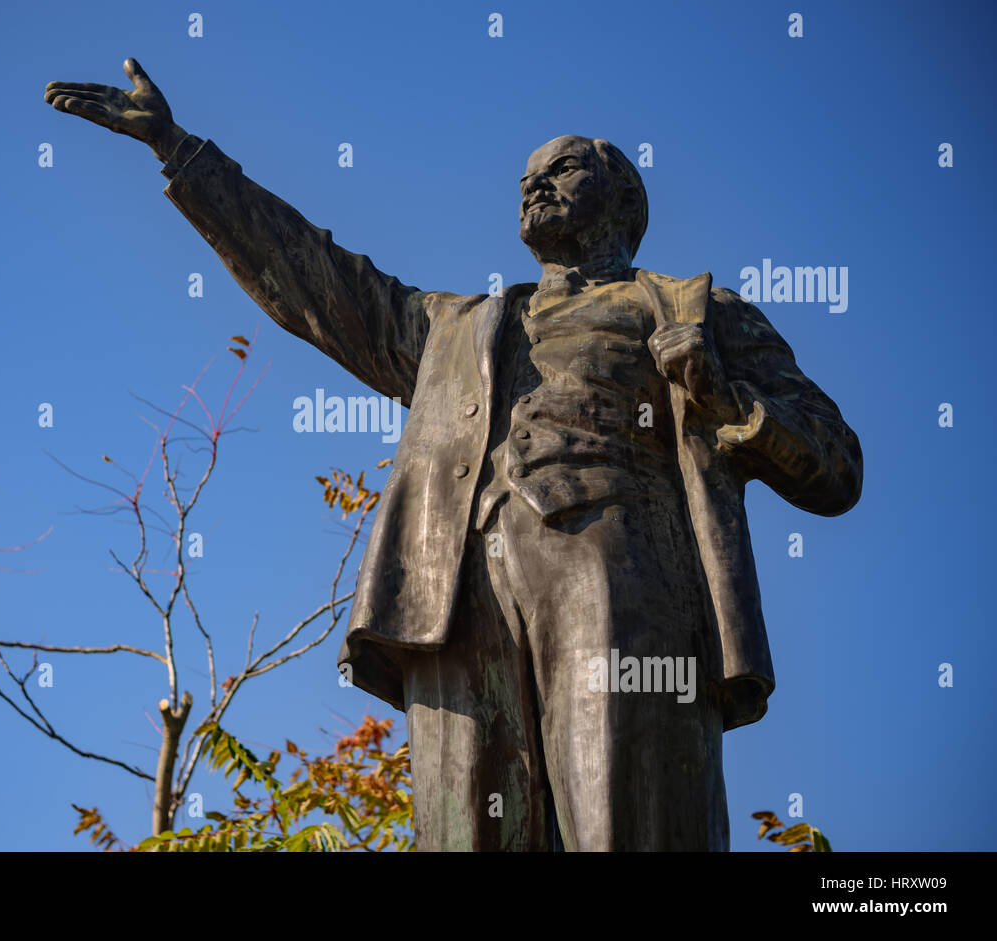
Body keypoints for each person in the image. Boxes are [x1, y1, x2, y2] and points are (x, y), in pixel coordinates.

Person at [45, 59, 863, 850]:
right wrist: (181, 153)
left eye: (563, 168)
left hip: (623, 573)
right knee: (464, 828)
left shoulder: (694, 307)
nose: (533, 184)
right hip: (456, 593)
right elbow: (318, 281)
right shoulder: (458, 326)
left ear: (622, 198)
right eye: (525, 176)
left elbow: (835, 465)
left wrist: (725, 399)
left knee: (627, 816)